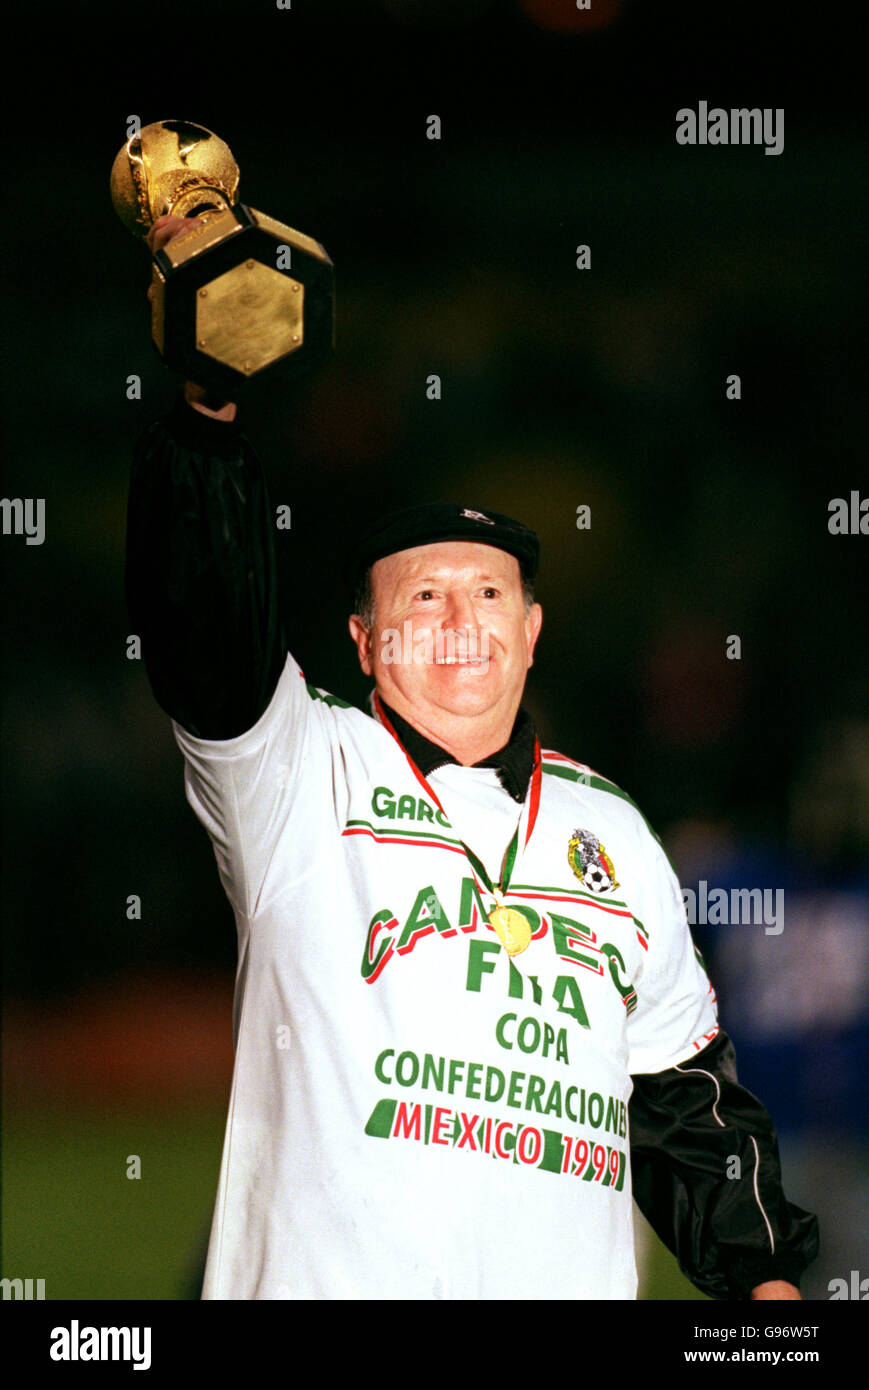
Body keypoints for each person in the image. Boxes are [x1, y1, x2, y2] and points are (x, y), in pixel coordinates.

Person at [125, 216, 819, 1301]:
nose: (459, 617)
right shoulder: (299, 770)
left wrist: (764, 1285)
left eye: (488, 591)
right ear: (360, 640)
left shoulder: (614, 833)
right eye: (422, 594)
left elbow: (682, 1099)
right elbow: (205, 624)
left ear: (531, 630)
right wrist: (209, 414)